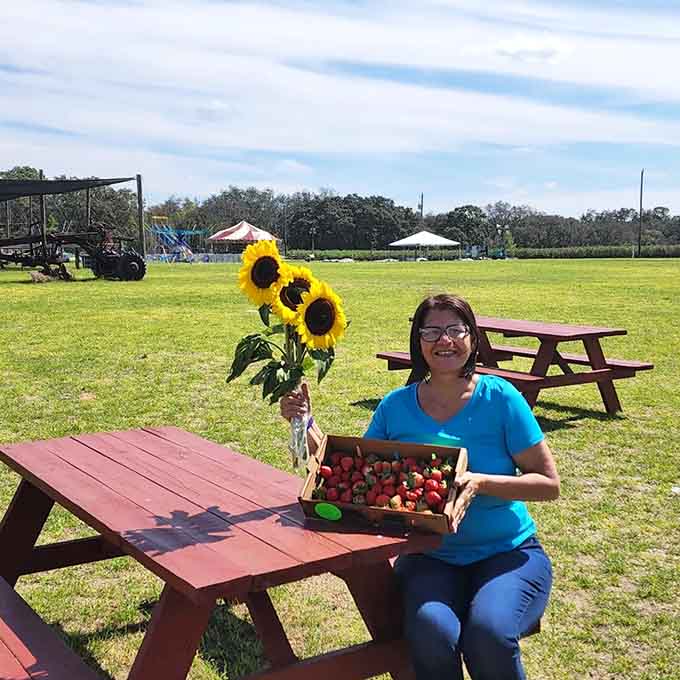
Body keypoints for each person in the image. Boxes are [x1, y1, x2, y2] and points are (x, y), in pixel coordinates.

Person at [280, 293, 559, 680]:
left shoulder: (501, 398)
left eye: (455, 329)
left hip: (508, 555)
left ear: (472, 338)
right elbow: (357, 468)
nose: (444, 340)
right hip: (429, 558)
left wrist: (479, 483)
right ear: (418, 342)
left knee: (488, 634)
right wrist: (306, 422)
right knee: (431, 633)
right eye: (431, 331)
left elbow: (548, 484)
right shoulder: (396, 406)